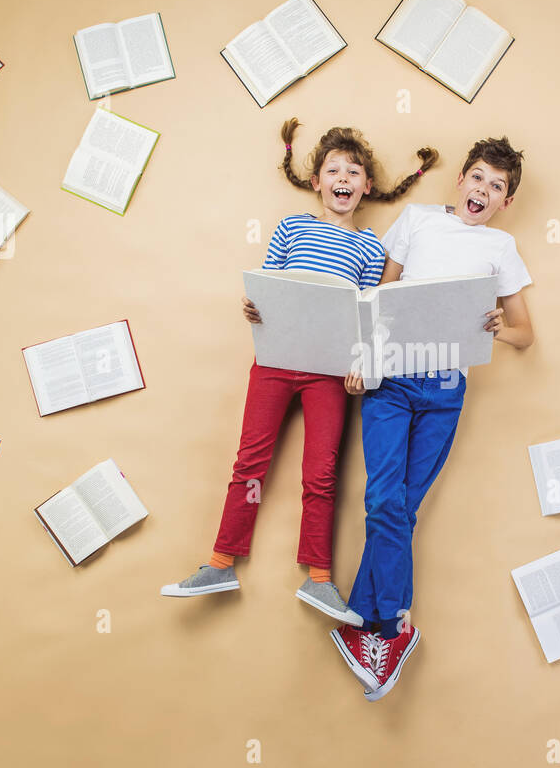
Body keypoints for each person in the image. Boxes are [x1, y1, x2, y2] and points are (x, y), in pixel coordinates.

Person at [161, 119, 437, 624]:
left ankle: (320, 579)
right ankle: (220, 562)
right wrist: (254, 306)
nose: (344, 178)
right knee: (250, 463)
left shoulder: (372, 247)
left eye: (354, 171)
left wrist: (361, 366)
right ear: (317, 182)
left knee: (323, 473)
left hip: (329, 370)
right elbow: (268, 285)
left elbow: (366, 317)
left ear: (366, 187)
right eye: (333, 169)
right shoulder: (292, 227)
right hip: (276, 359)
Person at [330, 137, 534, 699]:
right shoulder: (417, 219)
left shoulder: (501, 247)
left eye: (497, 187)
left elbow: (526, 335)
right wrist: (362, 356)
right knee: (383, 500)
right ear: (461, 180)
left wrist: (499, 326)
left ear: (506, 201)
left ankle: (362, 622)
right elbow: (381, 295)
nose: (483, 191)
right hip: (393, 378)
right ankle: (396, 626)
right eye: (477, 178)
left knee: (401, 507)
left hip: (447, 388)